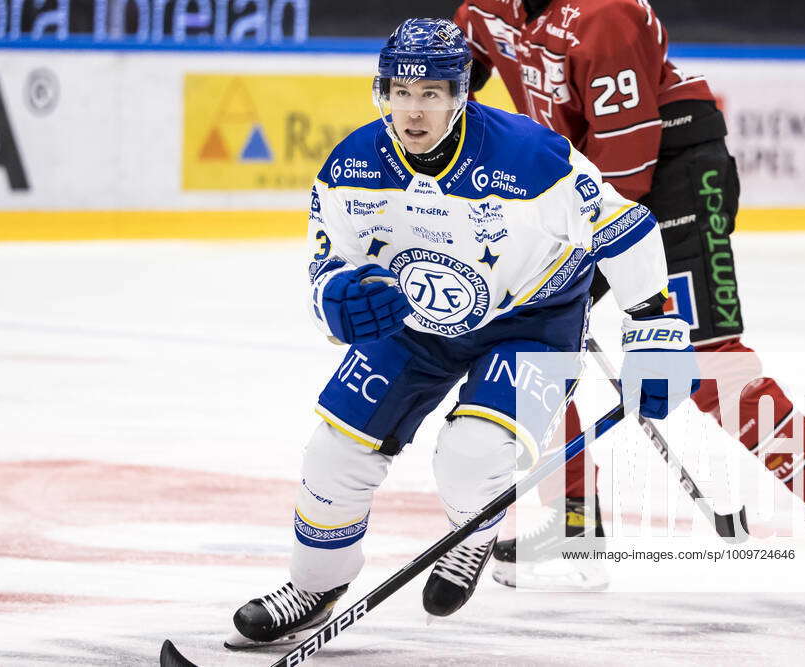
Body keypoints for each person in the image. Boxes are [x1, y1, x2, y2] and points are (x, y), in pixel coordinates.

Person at [225, 17, 697, 648]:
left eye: (433, 94)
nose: (414, 111)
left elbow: (625, 226)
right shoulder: (352, 165)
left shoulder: (532, 157)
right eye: (402, 92)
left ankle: (474, 535)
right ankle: (315, 586)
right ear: (382, 91)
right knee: (332, 454)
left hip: (531, 322)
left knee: (472, 460)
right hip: (415, 321)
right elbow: (327, 263)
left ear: (462, 93)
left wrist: (653, 322)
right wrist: (335, 300)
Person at [454, 0, 805, 600]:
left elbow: (629, 169)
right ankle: (573, 525)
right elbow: (449, 82)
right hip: (589, 186)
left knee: (711, 366)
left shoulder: (605, 15)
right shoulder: (482, 9)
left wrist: (565, 258)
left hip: (673, 173)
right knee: (535, 344)